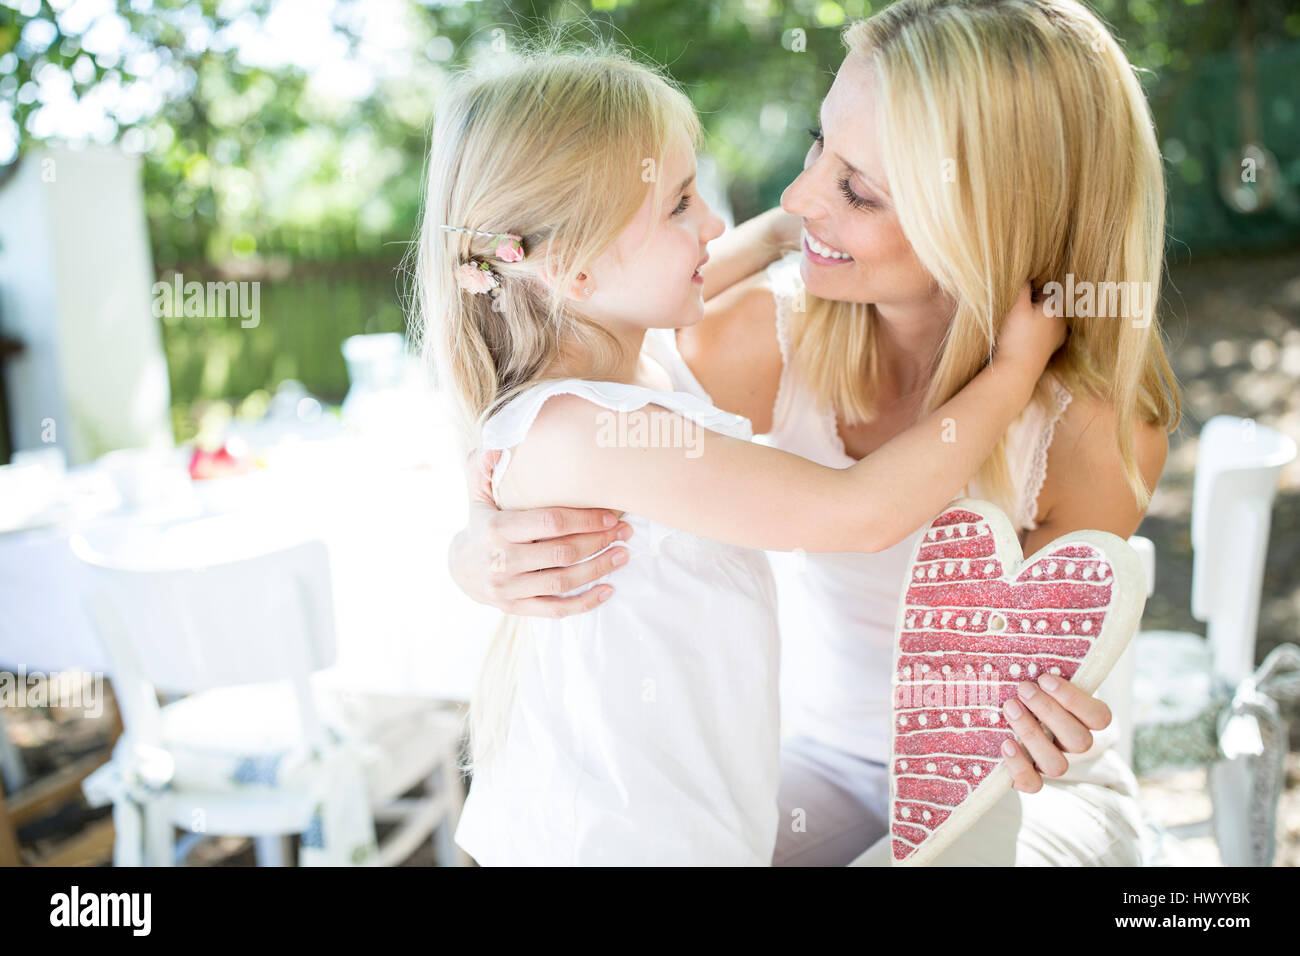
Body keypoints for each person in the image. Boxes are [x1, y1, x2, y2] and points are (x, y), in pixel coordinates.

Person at [448, 0, 1179, 866]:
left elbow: (1035, 658)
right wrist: (479, 550)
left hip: (1021, 787)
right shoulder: (760, 340)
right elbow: (574, 387)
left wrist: (1042, 703)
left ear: (993, 222)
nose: (799, 196)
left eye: (857, 188)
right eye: (815, 145)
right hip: (820, 767)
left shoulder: (1093, 431)